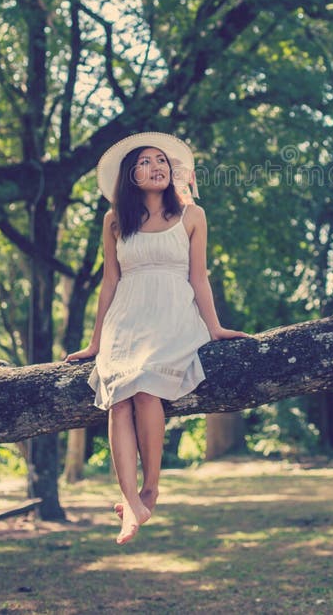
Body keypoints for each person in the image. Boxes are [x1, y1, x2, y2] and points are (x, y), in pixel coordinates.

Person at [65, 132, 248, 545]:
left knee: (146, 389)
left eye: (162, 161)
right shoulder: (114, 220)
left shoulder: (192, 215)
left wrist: (215, 328)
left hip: (172, 315)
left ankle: (151, 489)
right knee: (119, 397)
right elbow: (109, 282)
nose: (156, 166)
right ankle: (131, 503)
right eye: (146, 162)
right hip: (125, 319)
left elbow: (198, 278)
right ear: (131, 174)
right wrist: (95, 343)